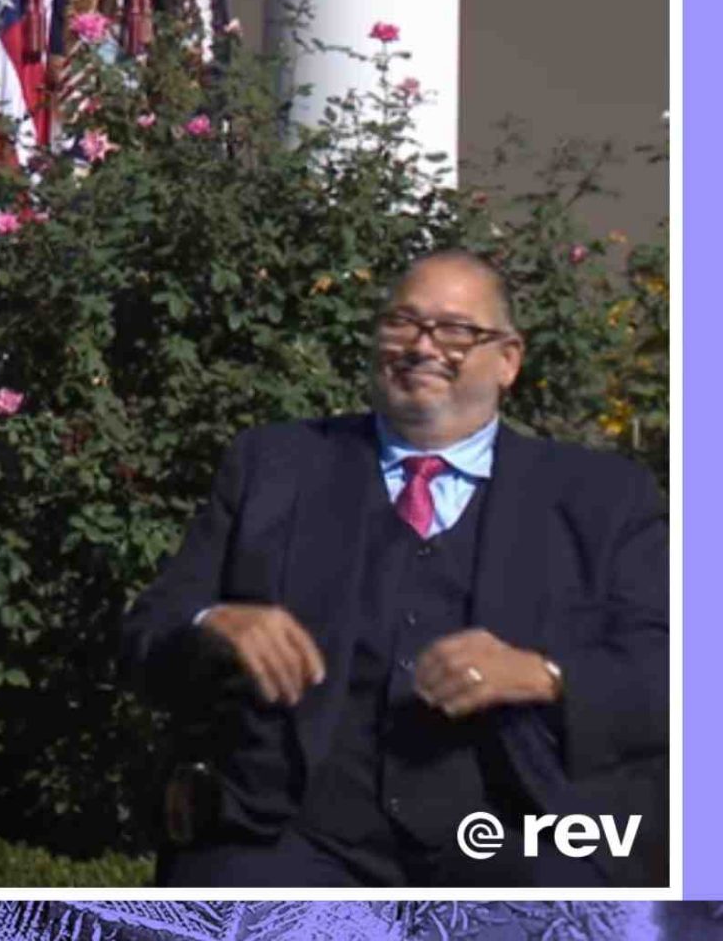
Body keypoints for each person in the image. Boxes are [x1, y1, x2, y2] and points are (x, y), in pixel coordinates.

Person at [120, 250, 666, 887]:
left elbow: (675, 672)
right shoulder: (275, 466)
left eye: (457, 329)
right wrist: (213, 622)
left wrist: (544, 674)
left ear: (509, 360)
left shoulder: (599, 496)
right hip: (289, 837)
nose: (421, 345)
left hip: (519, 839)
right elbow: (145, 635)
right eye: (402, 322)